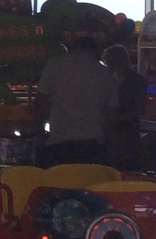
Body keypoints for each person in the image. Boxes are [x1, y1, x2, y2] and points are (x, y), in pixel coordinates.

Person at [35, 34, 117, 168]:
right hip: (92, 148)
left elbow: (40, 102)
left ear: (72, 48)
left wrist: (40, 130)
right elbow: (111, 114)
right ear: (96, 51)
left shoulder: (54, 64)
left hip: (58, 145)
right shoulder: (105, 74)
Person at [102, 44, 146, 172]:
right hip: (120, 130)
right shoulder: (136, 80)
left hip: (126, 130)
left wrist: (118, 118)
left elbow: (139, 107)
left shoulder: (133, 81)